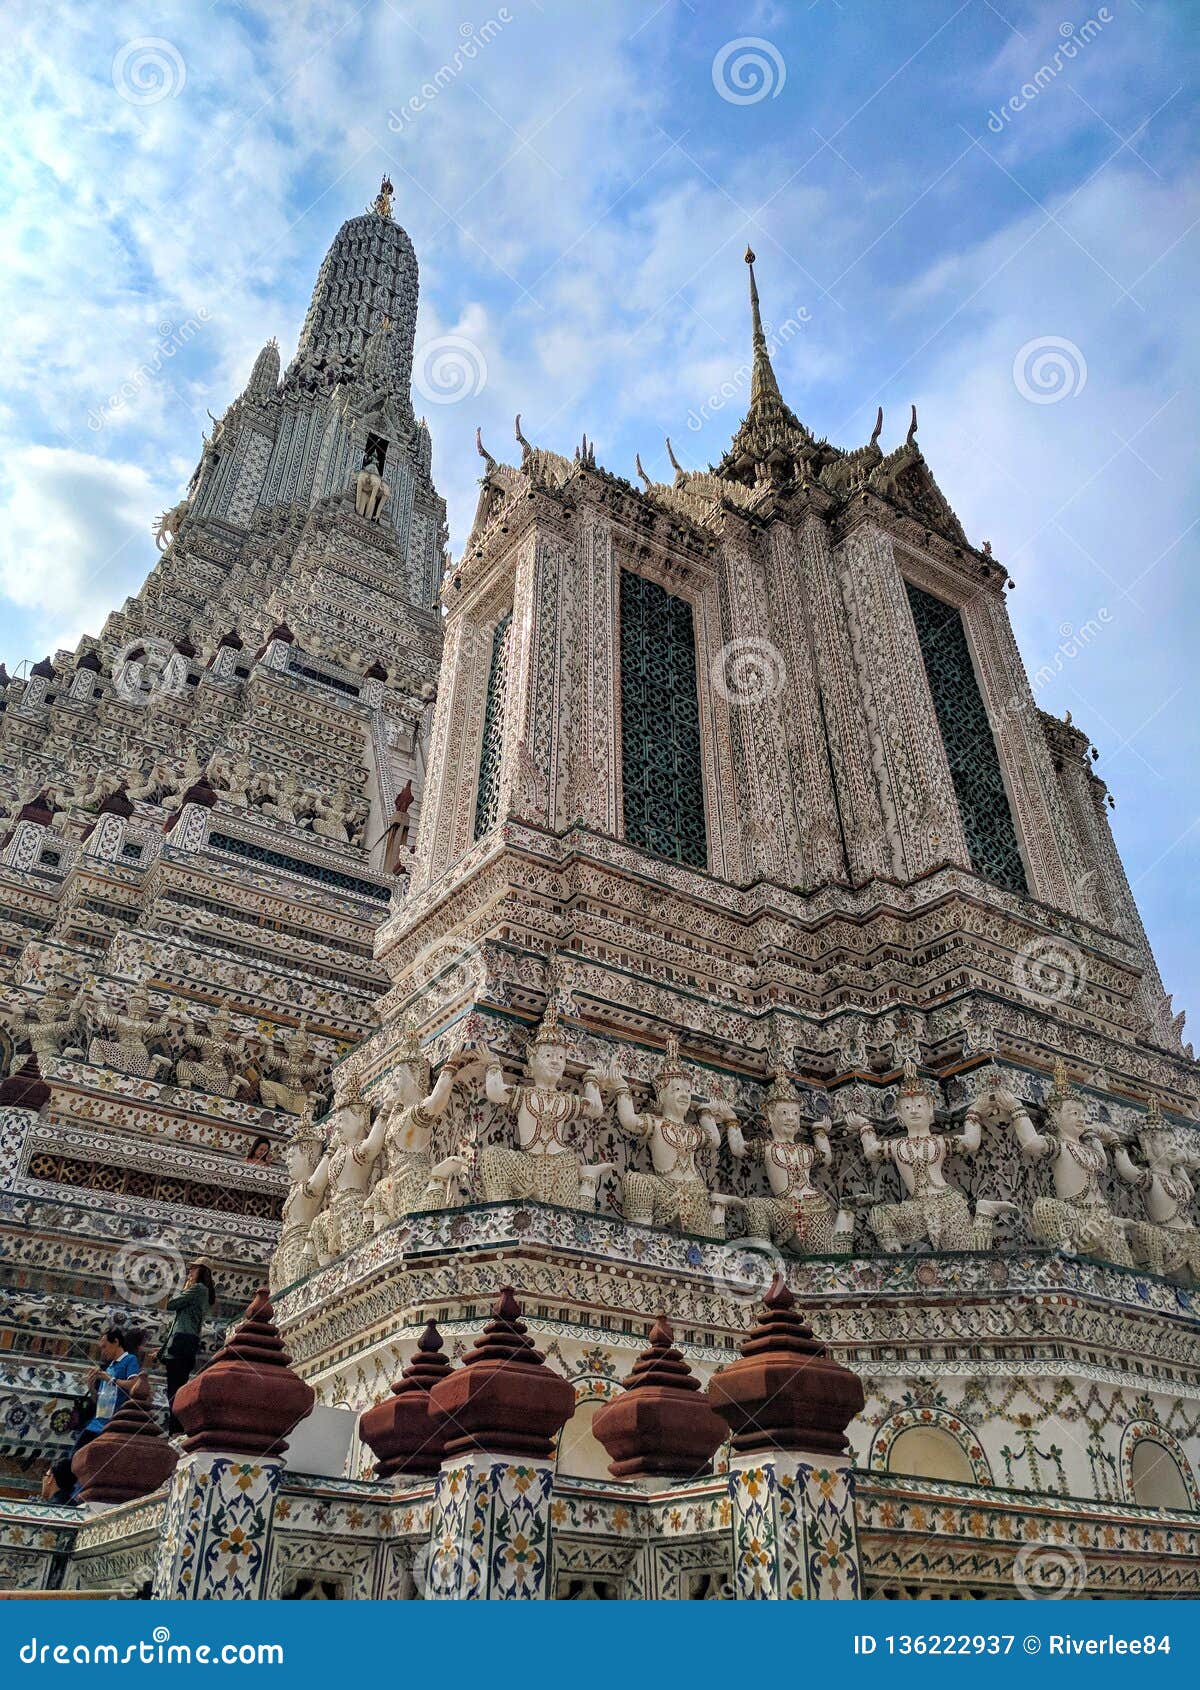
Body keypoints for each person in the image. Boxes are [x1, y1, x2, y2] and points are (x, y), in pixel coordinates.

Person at [156, 1263, 216, 1433]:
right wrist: (162, 1351)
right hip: (183, 1342)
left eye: (194, 1269)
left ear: (202, 1272)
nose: (190, 1272)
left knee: (175, 1389)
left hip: (182, 1342)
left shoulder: (198, 1289)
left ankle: (177, 1429)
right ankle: (177, 1428)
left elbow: (172, 1303)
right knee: (175, 1387)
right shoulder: (202, 1291)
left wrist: (184, 1287)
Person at [72, 1327, 145, 1455]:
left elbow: (134, 1384)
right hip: (97, 1421)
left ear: (116, 1342)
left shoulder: (129, 1360)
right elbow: (98, 1400)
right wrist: (91, 1386)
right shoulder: (110, 1366)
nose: (102, 1351)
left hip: (113, 1423)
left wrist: (110, 1379)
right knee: (76, 1456)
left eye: (104, 1347)